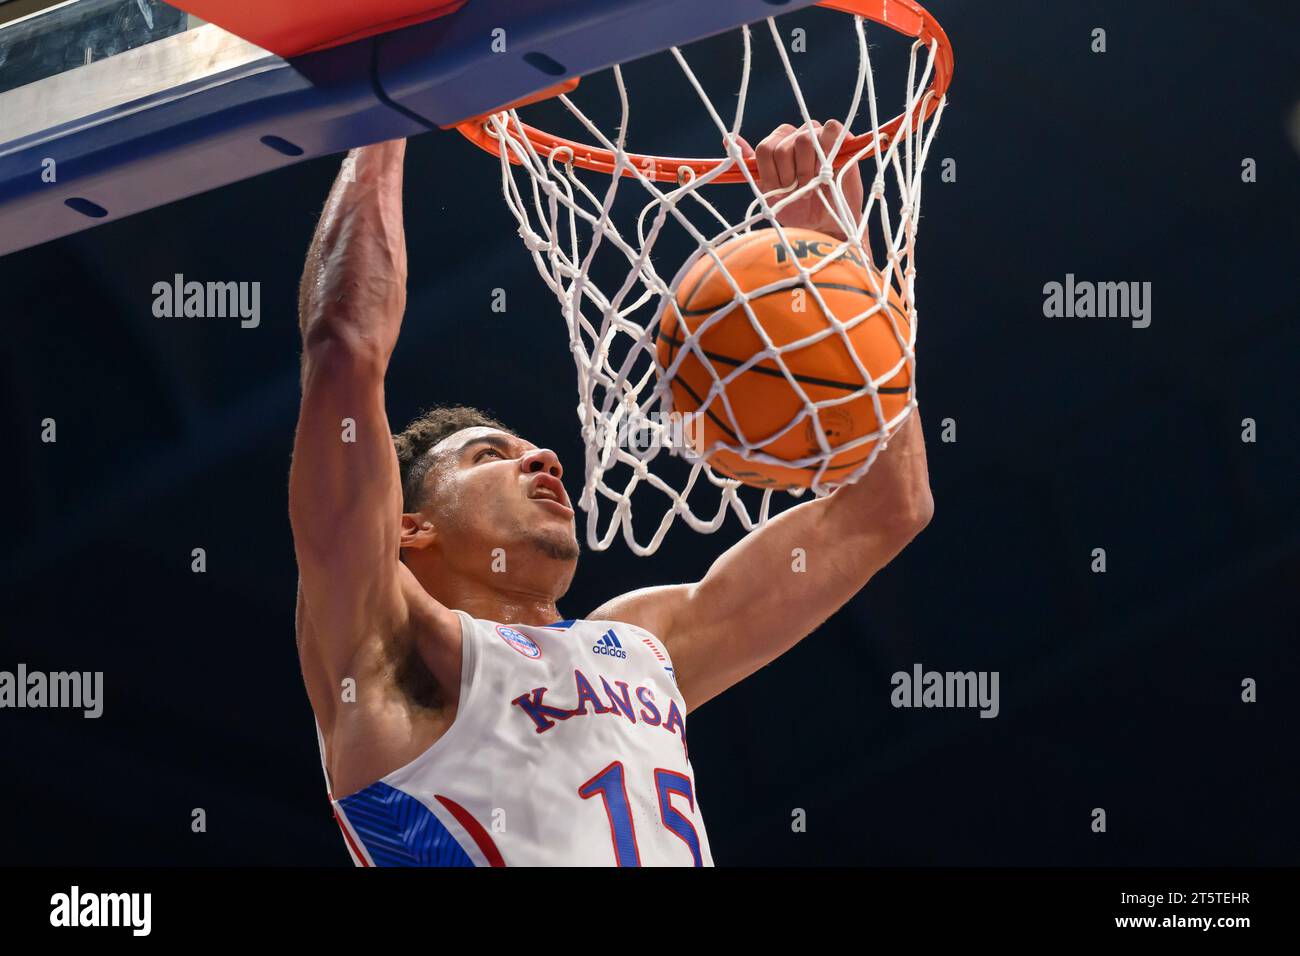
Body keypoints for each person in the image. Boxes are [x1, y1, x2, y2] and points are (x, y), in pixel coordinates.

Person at [291, 121, 934, 866]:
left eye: (534, 449)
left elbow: (891, 505)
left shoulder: (642, 644)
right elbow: (344, 349)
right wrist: (386, 114)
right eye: (489, 456)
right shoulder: (392, 652)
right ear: (410, 531)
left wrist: (839, 278)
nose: (543, 461)